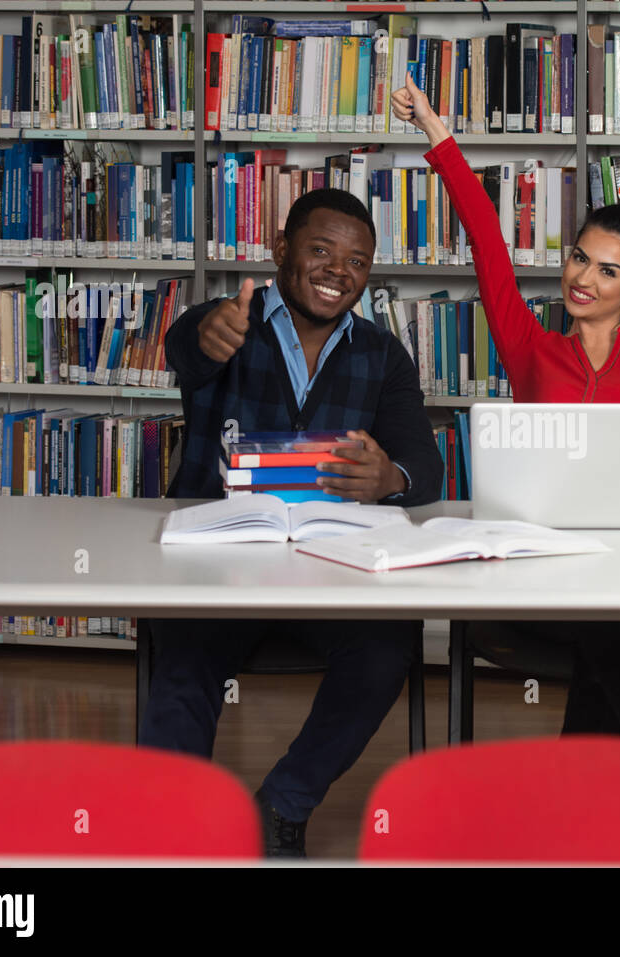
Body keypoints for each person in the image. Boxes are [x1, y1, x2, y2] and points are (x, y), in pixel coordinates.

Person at [392, 74, 620, 742]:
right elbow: (488, 242)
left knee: (609, 636)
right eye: (580, 257)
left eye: (608, 270)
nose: (583, 277)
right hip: (548, 567)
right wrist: (436, 133)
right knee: (609, 632)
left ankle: (594, 796)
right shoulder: (530, 348)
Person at [140, 188, 443, 857]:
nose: (338, 270)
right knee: (184, 663)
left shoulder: (382, 353)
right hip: (218, 566)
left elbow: (425, 462)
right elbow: (184, 349)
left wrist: (391, 477)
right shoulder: (229, 323)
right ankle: (172, 828)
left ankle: (282, 804)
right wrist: (204, 333)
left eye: (357, 261)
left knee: (385, 651)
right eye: (320, 250)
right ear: (281, 249)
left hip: (327, 569)